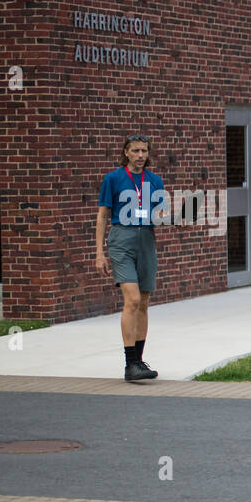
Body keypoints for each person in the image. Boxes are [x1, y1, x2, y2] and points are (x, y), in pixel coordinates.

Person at [95, 134, 164, 381]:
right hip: (121, 239)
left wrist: (177, 220)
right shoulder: (112, 179)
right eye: (135, 151)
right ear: (126, 152)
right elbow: (103, 215)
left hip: (146, 239)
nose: (140, 156)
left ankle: (138, 363)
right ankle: (130, 364)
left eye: (144, 151)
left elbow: (159, 214)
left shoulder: (155, 180)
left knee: (143, 302)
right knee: (132, 299)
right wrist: (99, 252)